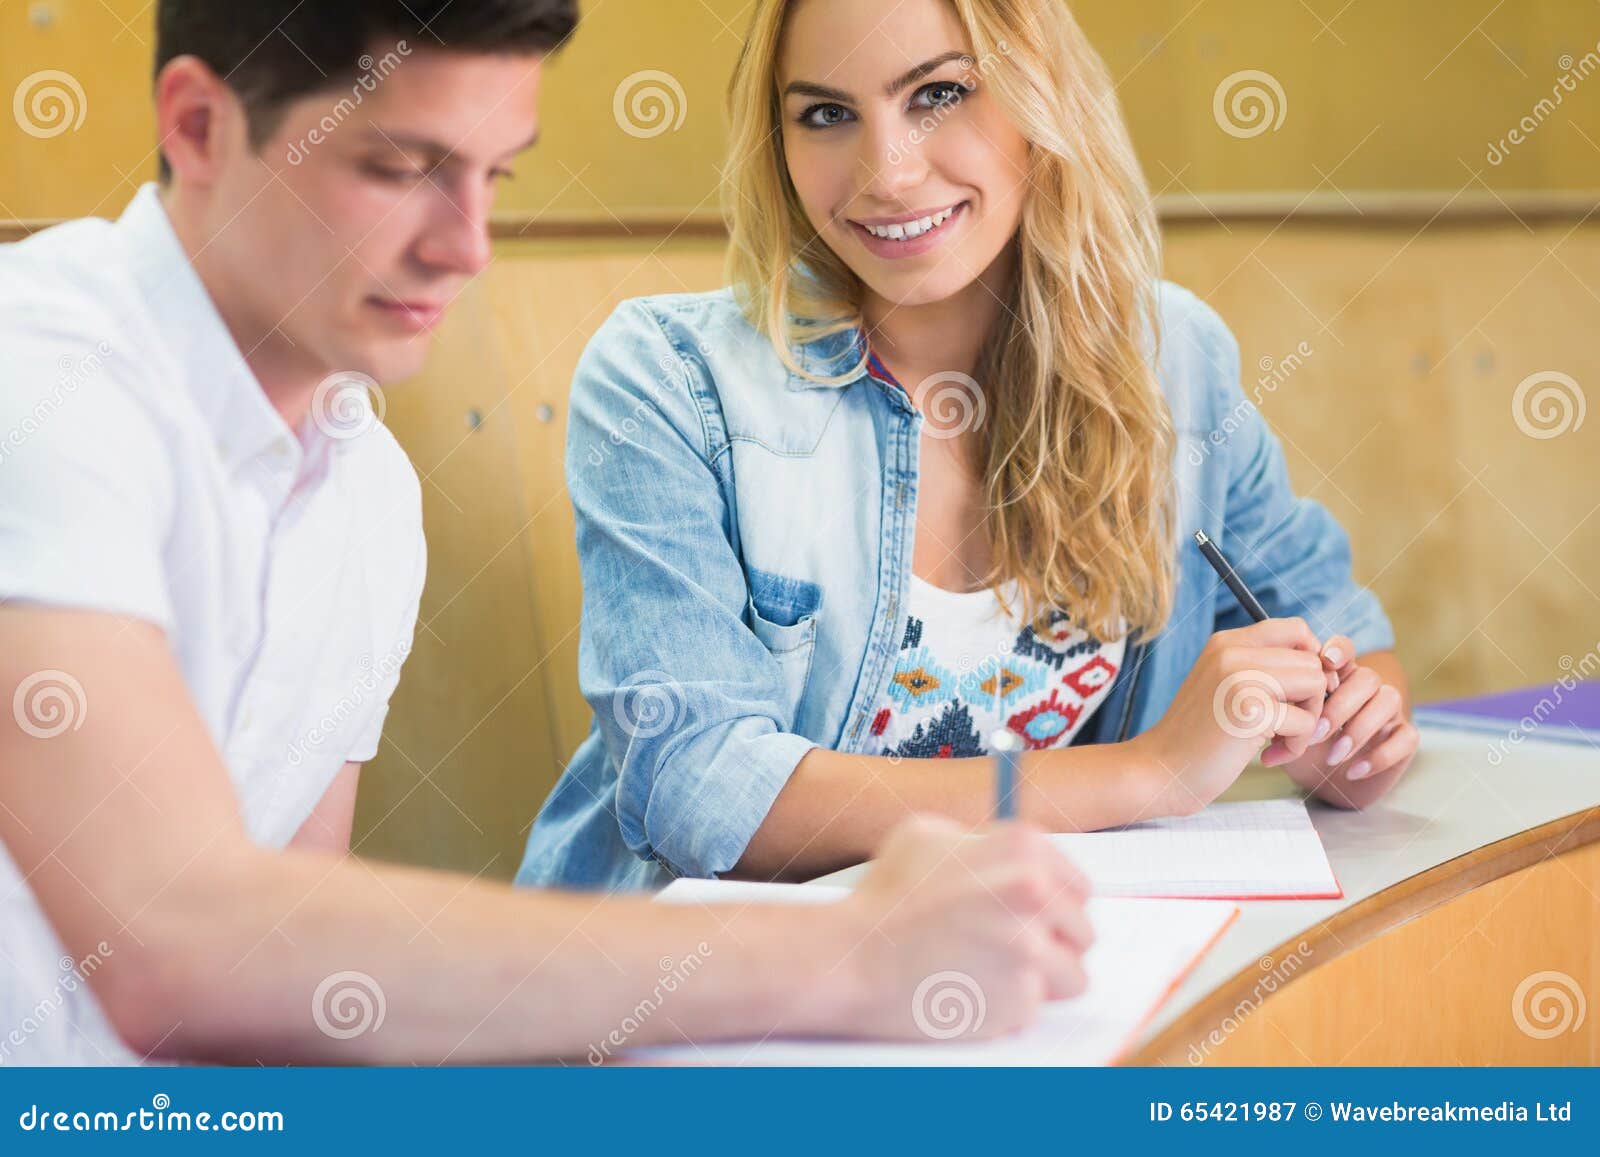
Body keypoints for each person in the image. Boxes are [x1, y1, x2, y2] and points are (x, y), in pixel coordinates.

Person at [0, 0, 1094, 1066]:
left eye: (496, 175)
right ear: (196, 127)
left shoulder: (363, 483)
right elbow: (180, 947)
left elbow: (287, 991)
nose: (467, 244)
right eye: (396, 169)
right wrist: (856, 952)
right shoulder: (40, 374)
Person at [517, 0, 1418, 892]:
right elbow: (697, 790)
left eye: (939, 94)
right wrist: (1154, 773)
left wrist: (1348, 733)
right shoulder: (668, 381)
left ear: (1041, 95)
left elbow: (1339, 631)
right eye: (827, 114)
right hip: (698, 1003)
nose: (890, 173)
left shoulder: (1174, 361)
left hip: (1039, 982)